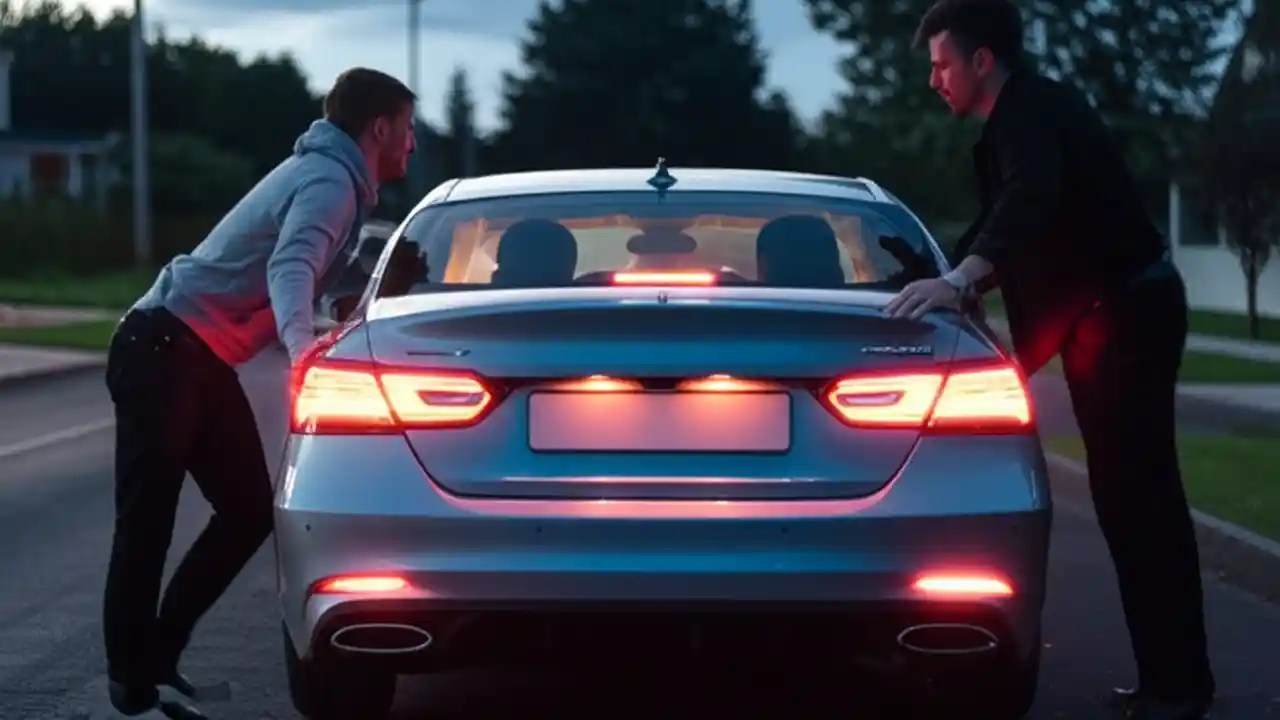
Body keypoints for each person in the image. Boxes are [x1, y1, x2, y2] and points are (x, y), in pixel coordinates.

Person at [884, 2, 1216, 718]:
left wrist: (963, 277)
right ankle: (1173, 681)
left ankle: (1179, 689)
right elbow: (1007, 211)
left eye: (941, 65)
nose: (934, 80)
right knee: (1136, 503)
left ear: (981, 61)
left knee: (1140, 503)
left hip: (1127, 317)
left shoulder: (1031, 113)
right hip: (1122, 315)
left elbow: (1031, 201)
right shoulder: (1023, 118)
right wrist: (934, 267)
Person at [102, 67, 417, 718]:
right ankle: (133, 679)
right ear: (379, 128)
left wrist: (346, 314)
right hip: (161, 349)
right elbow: (289, 267)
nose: (412, 143)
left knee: (249, 508)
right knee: (147, 523)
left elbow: (304, 283)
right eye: (408, 129)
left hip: (193, 354)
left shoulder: (335, 183)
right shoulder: (329, 181)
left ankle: (155, 656)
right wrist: (303, 352)